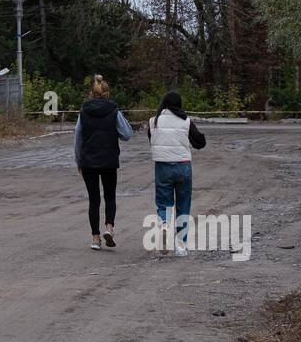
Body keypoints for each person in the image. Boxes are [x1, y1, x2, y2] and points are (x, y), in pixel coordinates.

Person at [74, 75, 133, 250]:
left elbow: (77, 138)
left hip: (88, 160)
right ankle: (109, 228)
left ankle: (95, 238)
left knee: (93, 199)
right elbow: (127, 134)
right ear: (107, 93)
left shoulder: (83, 111)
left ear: (92, 94)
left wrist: (79, 161)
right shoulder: (114, 111)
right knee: (110, 196)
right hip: (109, 160)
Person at [146, 91, 207, 257]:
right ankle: (181, 246)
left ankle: (164, 224)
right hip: (183, 167)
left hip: (162, 167)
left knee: (163, 203)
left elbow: (152, 140)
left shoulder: (154, 121)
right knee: (183, 206)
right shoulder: (186, 121)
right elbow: (200, 143)